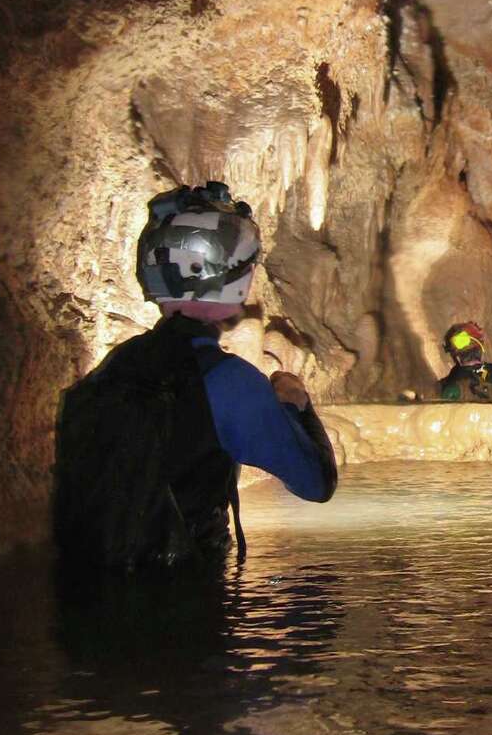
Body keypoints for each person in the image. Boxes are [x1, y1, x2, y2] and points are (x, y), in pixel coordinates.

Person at [53, 181, 337, 574]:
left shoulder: (113, 370)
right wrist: (297, 405)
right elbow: (317, 483)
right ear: (234, 275)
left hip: (89, 593)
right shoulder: (228, 381)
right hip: (181, 601)